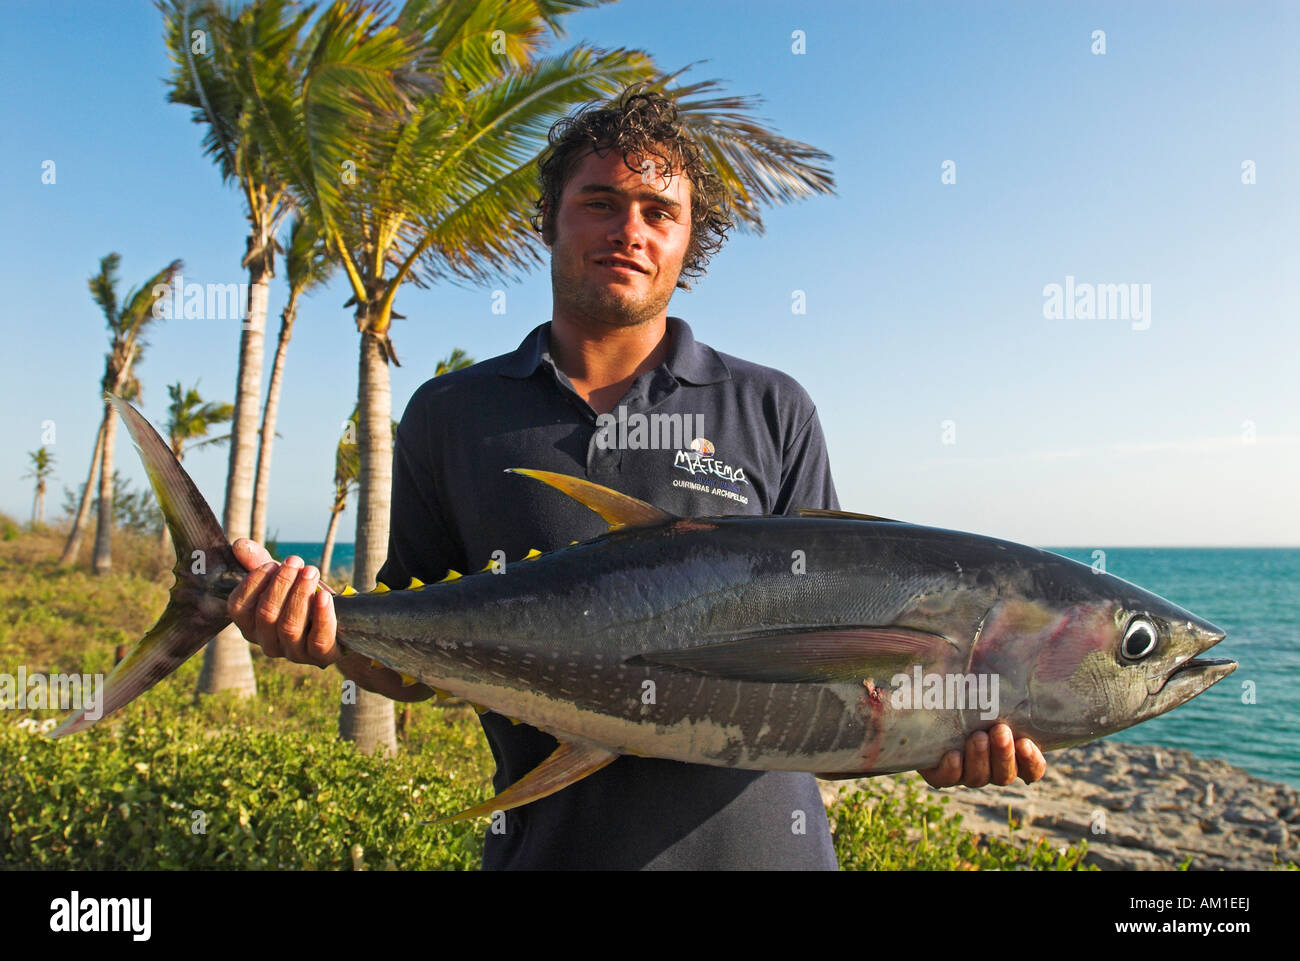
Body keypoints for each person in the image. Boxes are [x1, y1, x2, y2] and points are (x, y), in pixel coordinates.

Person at [227, 86, 1046, 869]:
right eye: (600, 202)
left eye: (661, 212)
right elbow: (402, 663)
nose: (631, 229)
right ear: (548, 219)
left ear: (689, 243)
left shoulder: (771, 407)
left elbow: (826, 691)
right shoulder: (452, 412)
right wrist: (325, 633)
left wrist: (930, 738)